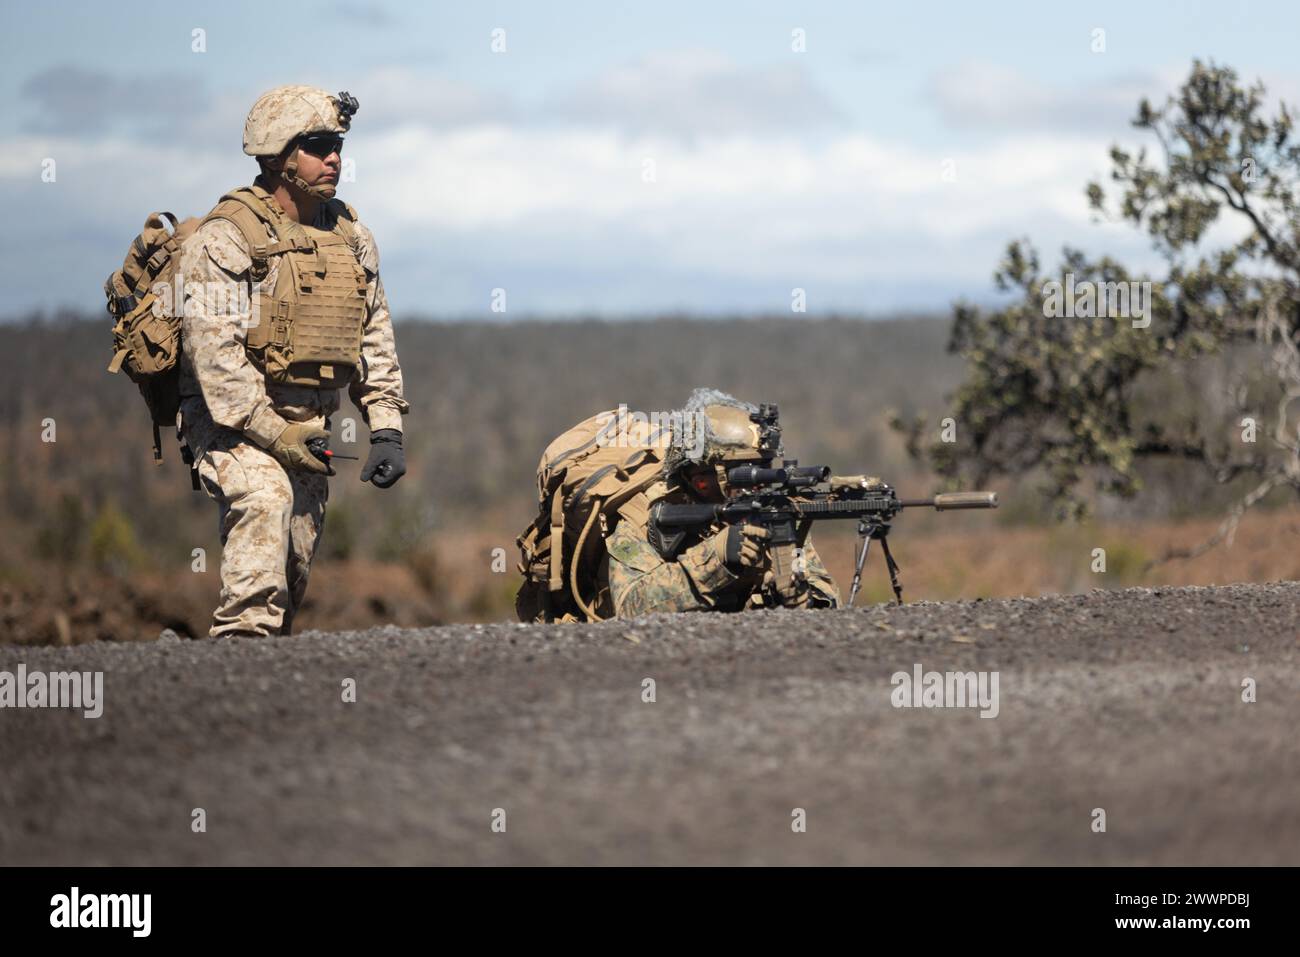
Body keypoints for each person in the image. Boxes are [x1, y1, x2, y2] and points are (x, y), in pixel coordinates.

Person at [177, 85, 409, 638]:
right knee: (265, 500)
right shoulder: (227, 238)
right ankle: (238, 656)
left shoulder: (350, 236)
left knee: (291, 568)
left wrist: (387, 431)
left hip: (309, 427)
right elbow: (217, 363)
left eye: (338, 146)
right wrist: (275, 433)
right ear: (278, 156)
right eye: (318, 145)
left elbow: (373, 334)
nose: (334, 158)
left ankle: (263, 691)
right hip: (231, 425)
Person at [603, 390, 841, 617]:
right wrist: (714, 558)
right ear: (699, 479)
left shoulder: (773, 512)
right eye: (744, 472)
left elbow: (825, 593)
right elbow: (629, 607)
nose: (758, 482)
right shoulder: (644, 517)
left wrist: (804, 599)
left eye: (763, 467)